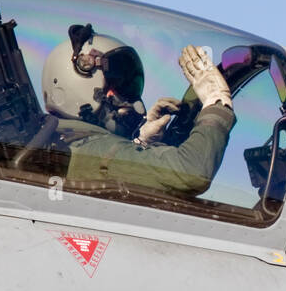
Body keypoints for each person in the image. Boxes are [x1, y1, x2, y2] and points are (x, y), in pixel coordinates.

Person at [41, 25, 235, 196]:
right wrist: (216, 102)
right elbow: (192, 172)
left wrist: (141, 141)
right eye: (118, 87)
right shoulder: (95, 149)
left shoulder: (68, 142)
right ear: (75, 84)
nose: (133, 103)